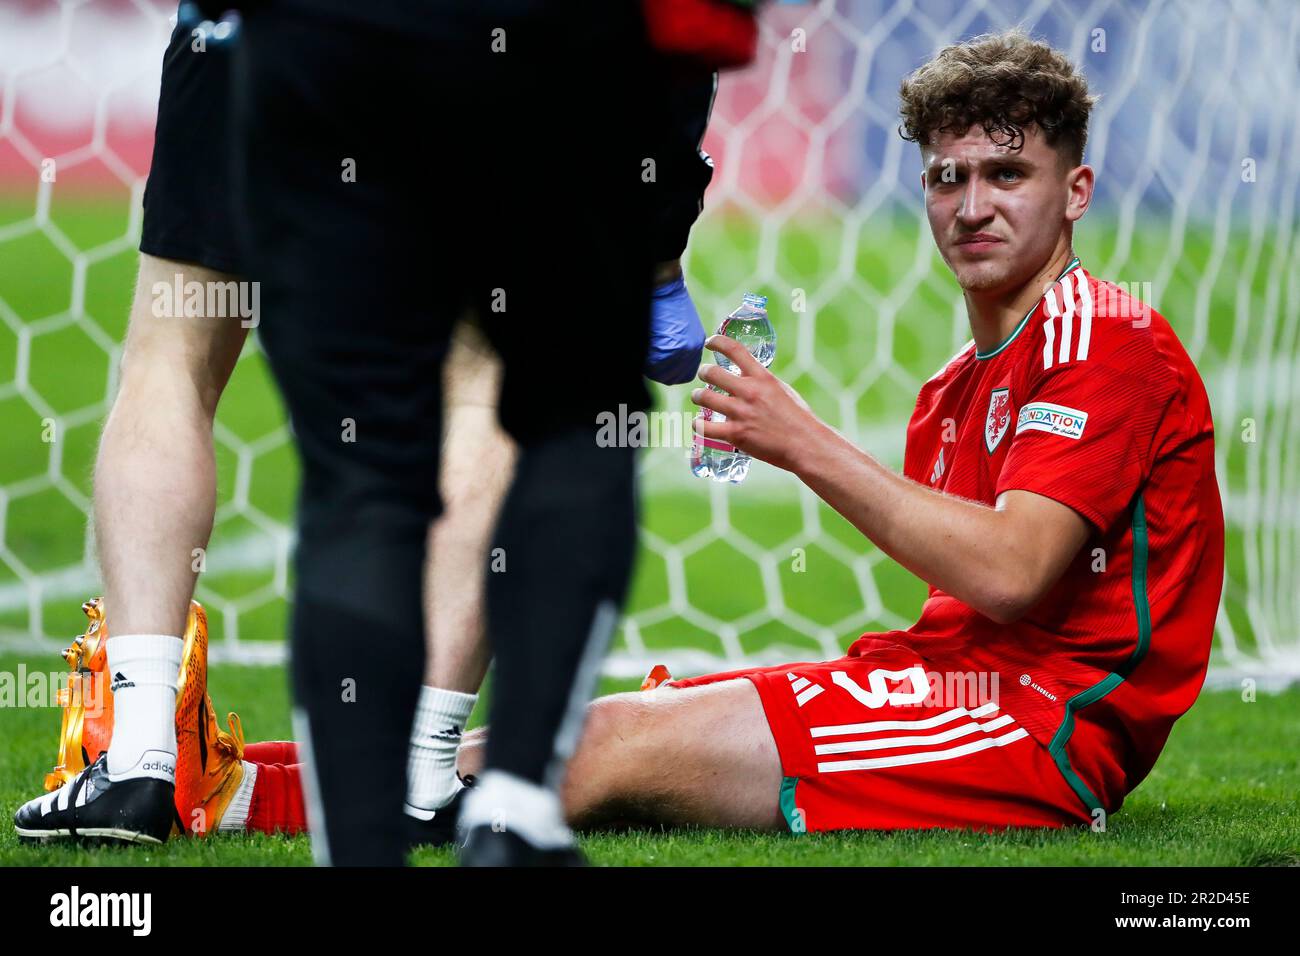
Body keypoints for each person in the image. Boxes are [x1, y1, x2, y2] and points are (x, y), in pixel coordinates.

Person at [12, 2, 719, 862]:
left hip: (285, 37)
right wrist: (659, 241)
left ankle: (136, 754)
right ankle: (425, 771)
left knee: (179, 358)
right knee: (489, 388)